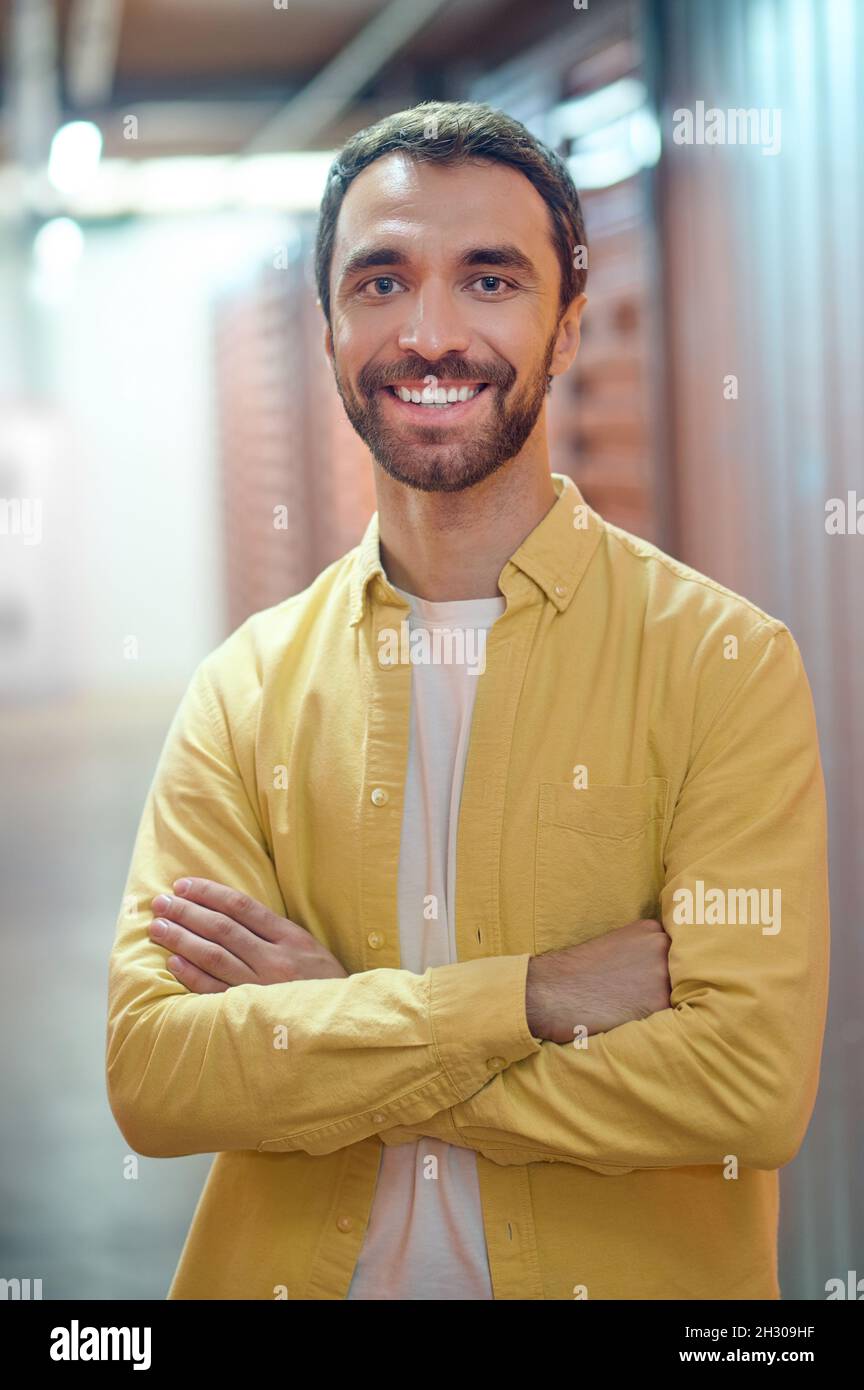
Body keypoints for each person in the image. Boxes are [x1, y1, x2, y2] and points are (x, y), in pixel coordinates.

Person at [106, 100, 829, 1300]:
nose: (429, 334)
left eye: (489, 280)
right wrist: (530, 997)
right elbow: (157, 1075)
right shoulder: (244, 689)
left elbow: (744, 1092)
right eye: (382, 283)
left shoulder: (722, 664)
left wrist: (331, 1026)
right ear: (330, 325)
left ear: (568, 327)